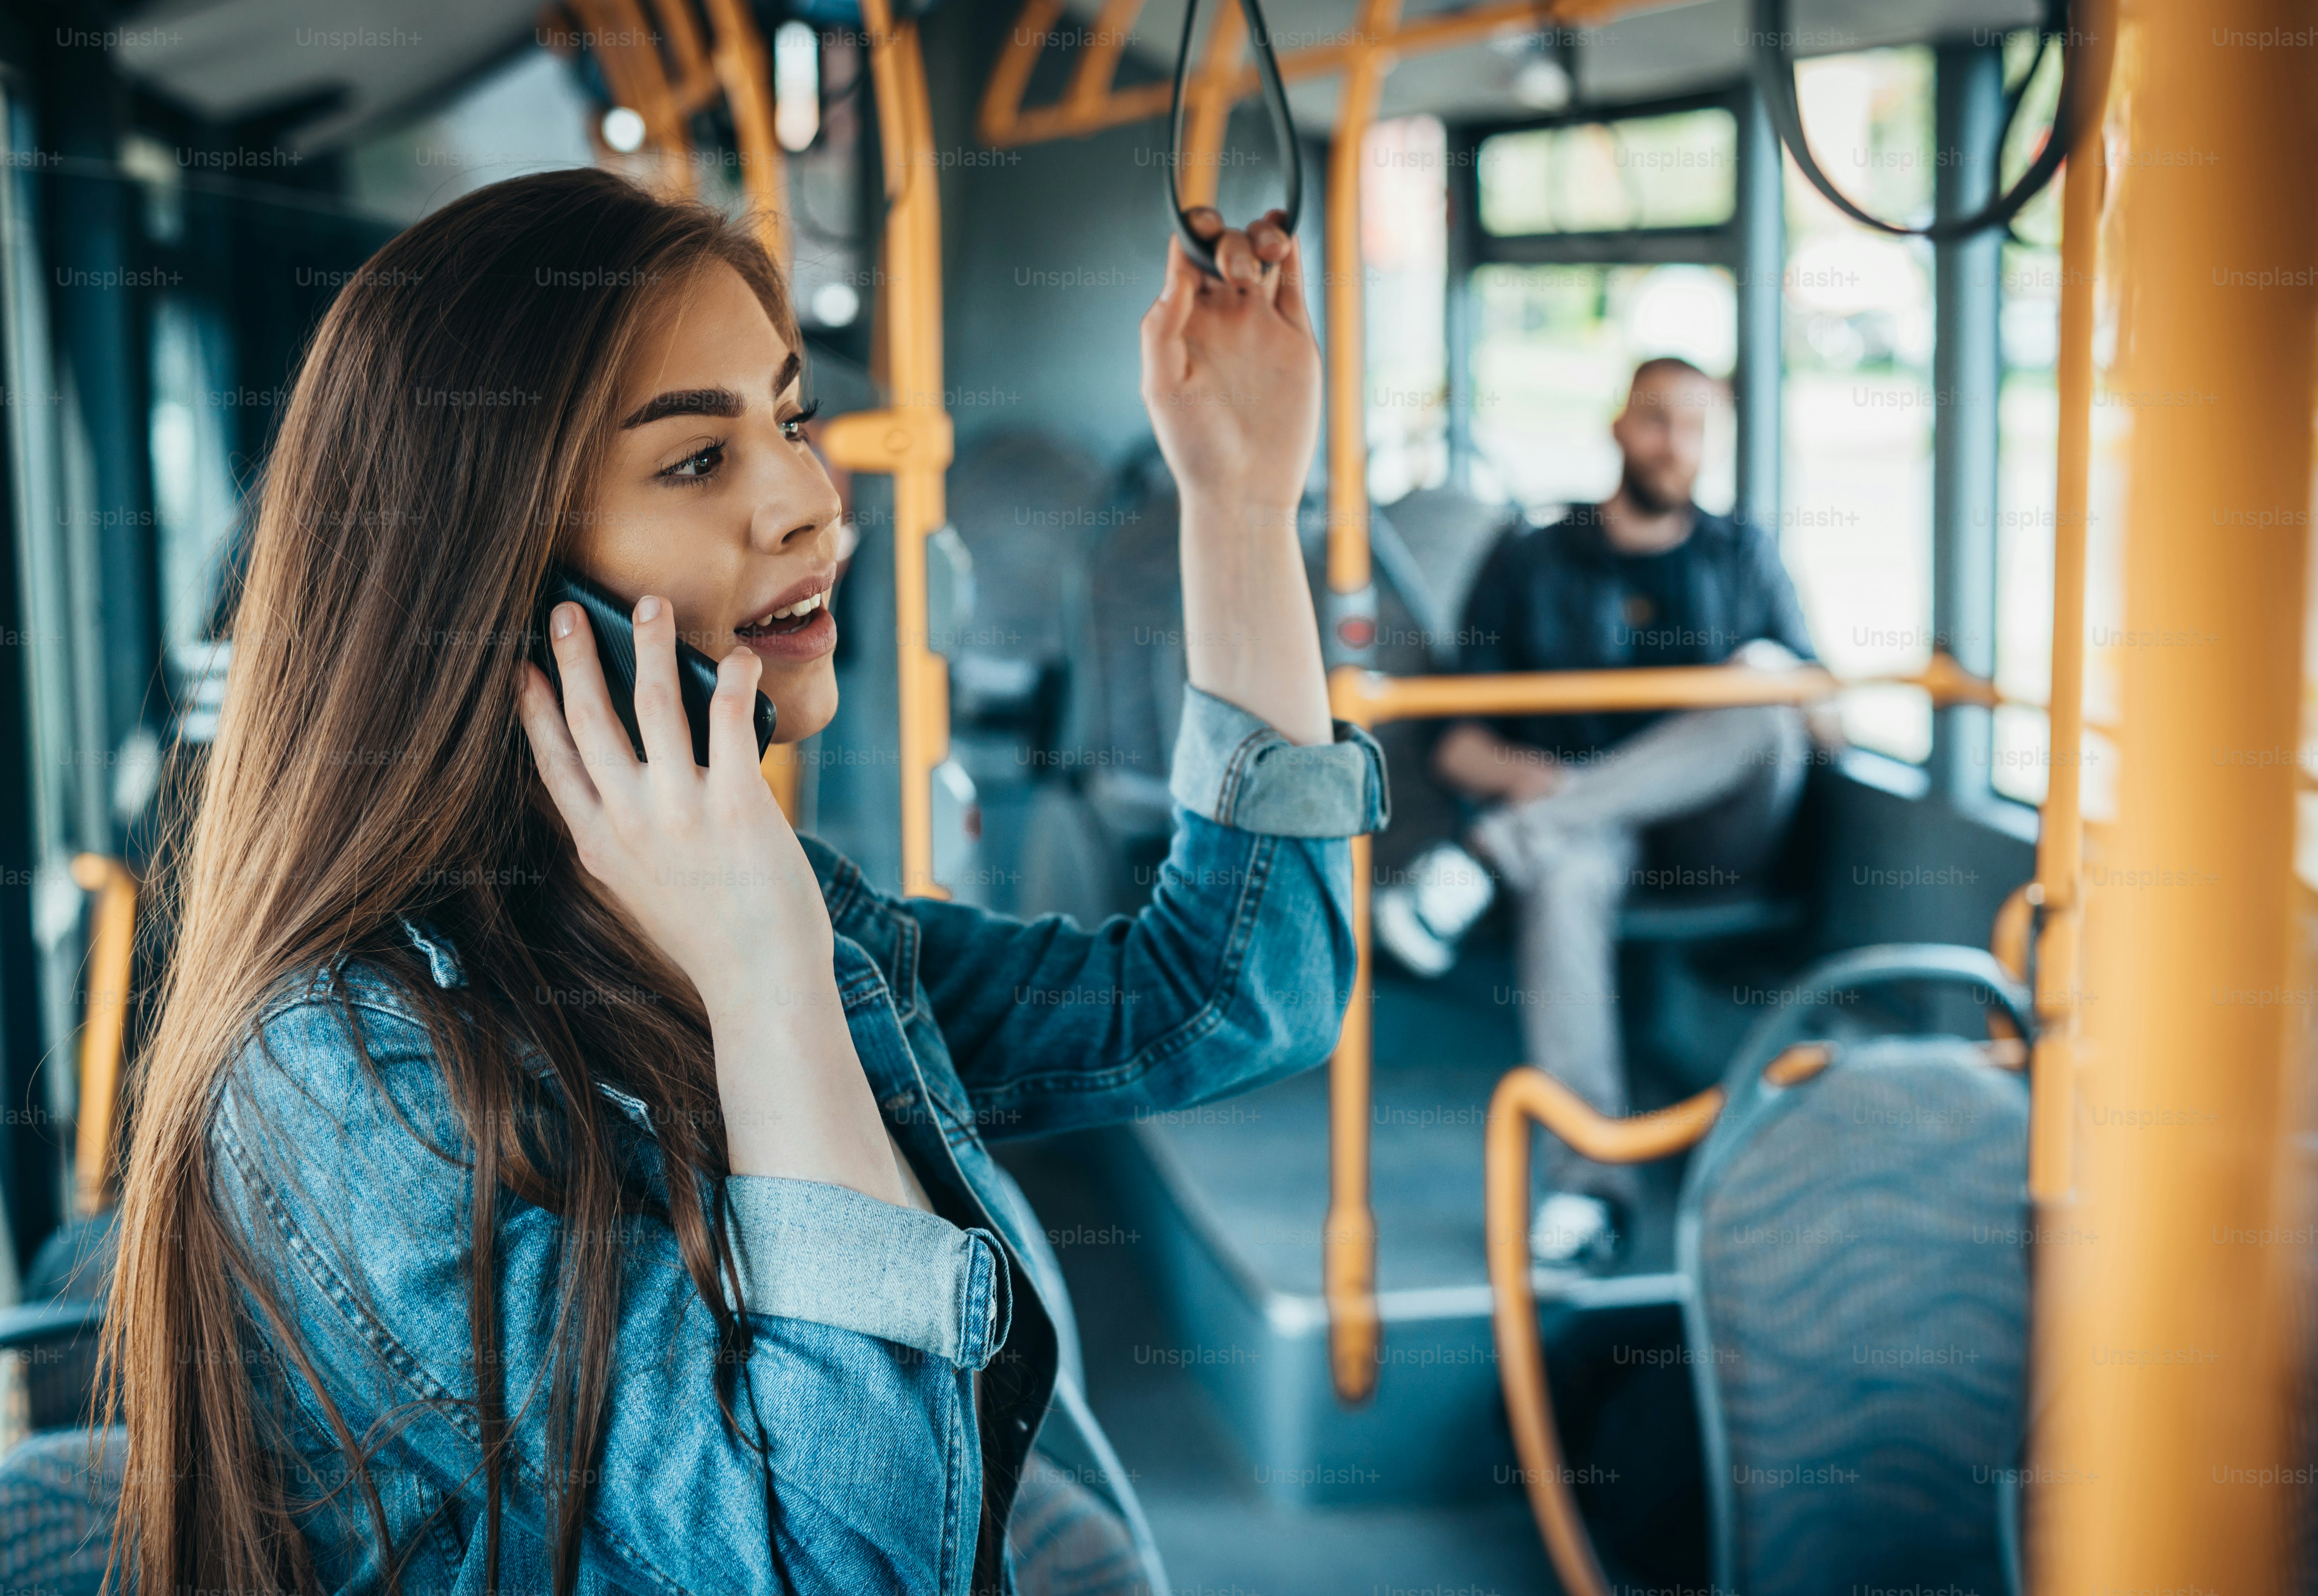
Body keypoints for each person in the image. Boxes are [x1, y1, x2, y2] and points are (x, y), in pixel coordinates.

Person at [104, 169, 1384, 1596]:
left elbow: (1231, 994)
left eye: (789, 420)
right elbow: (842, 1574)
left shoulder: (737, 905)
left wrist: (1239, 497)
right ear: (493, 579)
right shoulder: (345, 1071)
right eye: (696, 461)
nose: (812, 501)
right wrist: (768, 981)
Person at [1376, 356, 1818, 1269]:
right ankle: (1589, 1191)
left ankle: (1484, 855)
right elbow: (1455, 742)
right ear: (1619, 426)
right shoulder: (1531, 556)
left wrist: (1773, 678)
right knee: (1570, 863)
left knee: (1765, 703)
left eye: (1696, 427)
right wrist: (1533, 779)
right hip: (1582, 827)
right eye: (1658, 421)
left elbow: (1824, 723)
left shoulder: (1743, 553)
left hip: (1713, 835)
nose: (1676, 445)